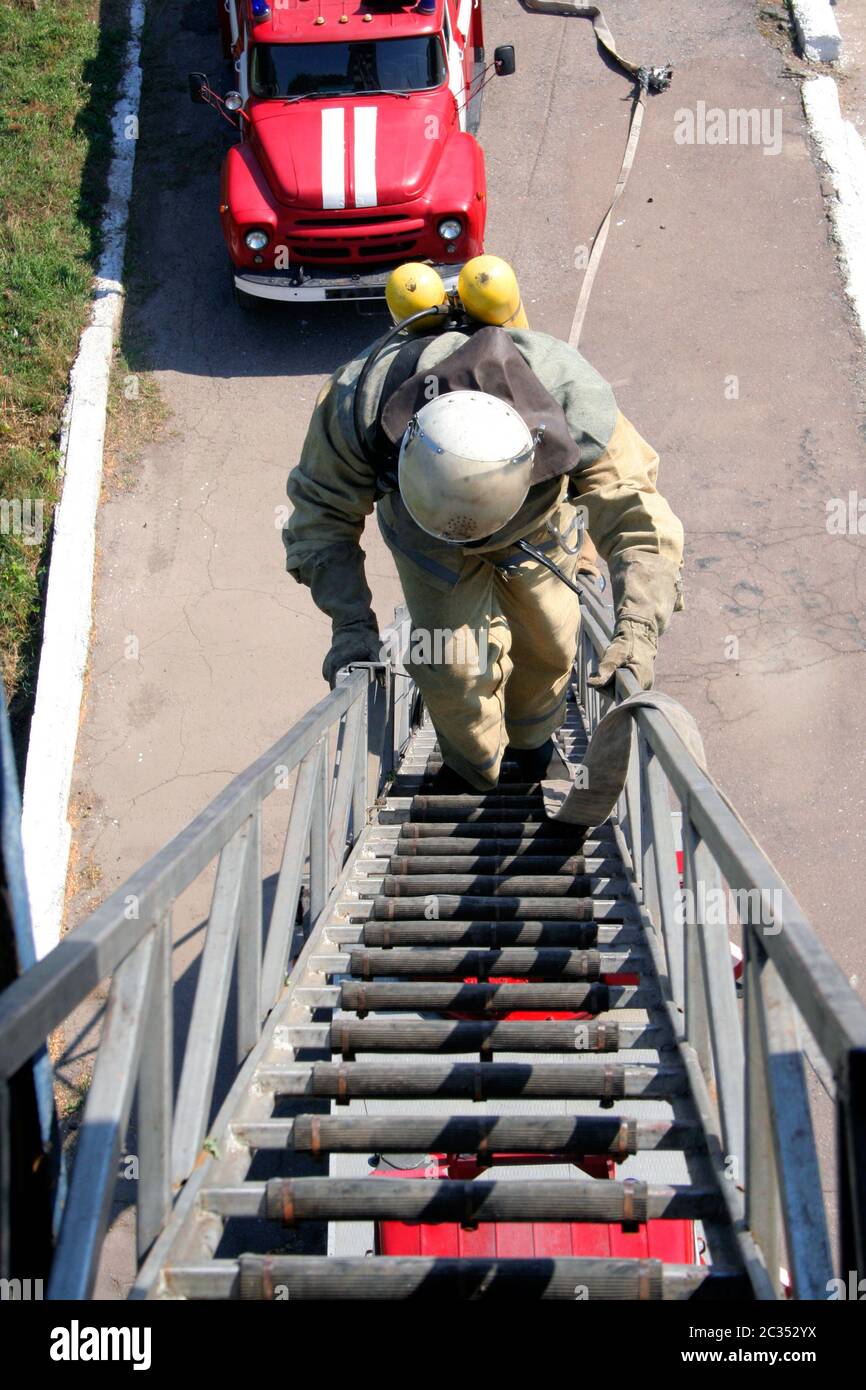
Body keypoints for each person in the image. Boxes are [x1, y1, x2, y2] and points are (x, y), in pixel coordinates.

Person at [282, 262, 684, 791]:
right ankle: (474, 768)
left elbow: (636, 514)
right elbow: (321, 520)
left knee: (550, 646)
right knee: (448, 665)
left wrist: (637, 630)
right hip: (424, 534)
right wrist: (350, 626)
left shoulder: (567, 394)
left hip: (534, 525)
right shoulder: (361, 399)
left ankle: (532, 744)